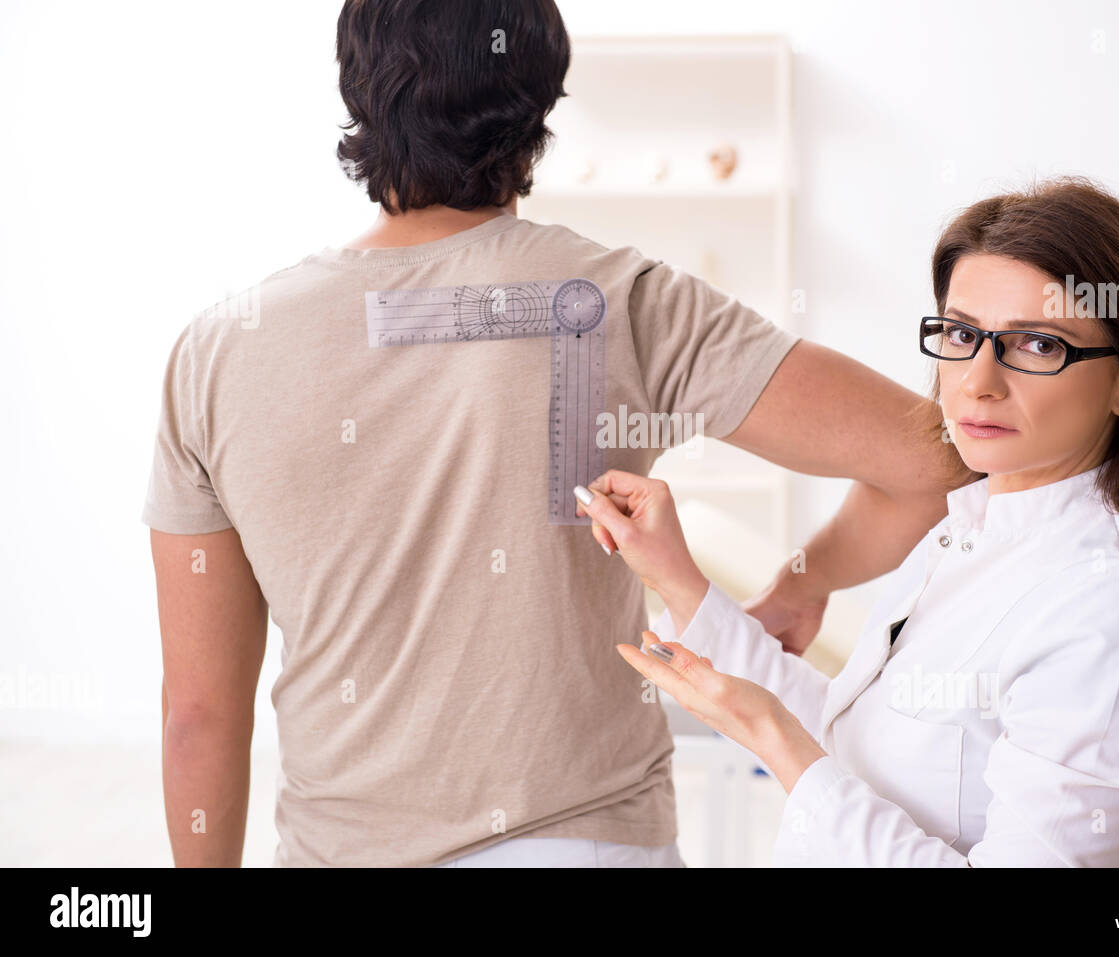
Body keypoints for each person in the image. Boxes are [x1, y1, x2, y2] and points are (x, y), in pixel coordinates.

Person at [141, 0, 975, 867]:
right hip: (591, 844)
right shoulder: (629, 300)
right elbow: (943, 458)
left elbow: (199, 714)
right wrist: (807, 580)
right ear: (538, 103)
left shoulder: (219, 351)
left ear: (356, 85)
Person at [582, 176, 1119, 866]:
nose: (978, 380)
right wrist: (680, 581)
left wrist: (773, 735)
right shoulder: (971, 531)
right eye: (960, 333)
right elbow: (856, 751)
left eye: (1039, 344)